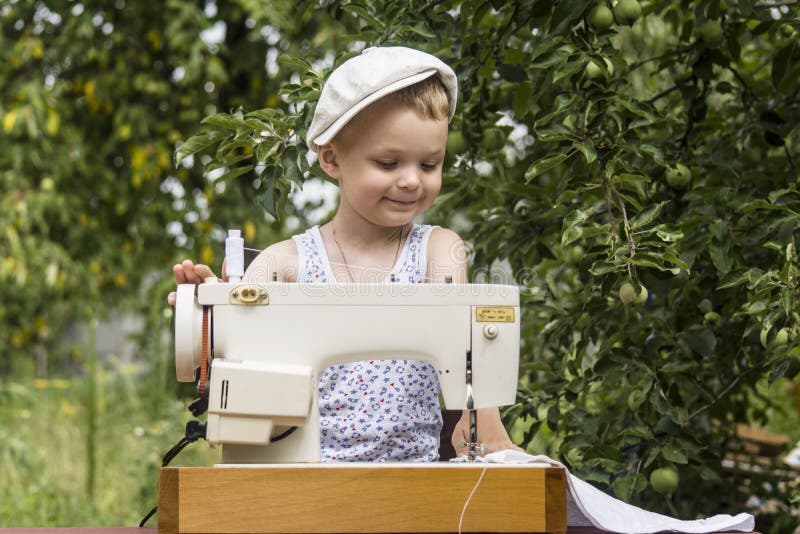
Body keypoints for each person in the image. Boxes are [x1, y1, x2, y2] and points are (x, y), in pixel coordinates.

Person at [169, 46, 519, 462]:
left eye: (429, 165)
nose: (411, 181)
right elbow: (240, 355)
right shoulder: (284, 265)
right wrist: (215, 308)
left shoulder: (438, 252)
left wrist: (484, 414)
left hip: (415, 483)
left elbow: (468, 342)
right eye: (388, 163)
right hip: (303, 484)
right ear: (331, 158)